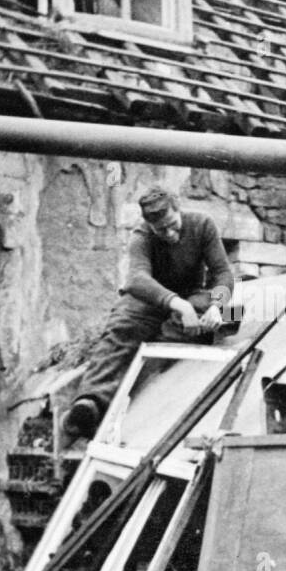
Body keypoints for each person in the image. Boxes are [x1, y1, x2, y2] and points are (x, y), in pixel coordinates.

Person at [62, 187, 235, 441]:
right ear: (149, 225)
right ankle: (91, 402)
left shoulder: (202, 225)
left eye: (172, 225)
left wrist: (217, 306)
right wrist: (178, 304)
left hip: (191, 294)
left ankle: (143, 386)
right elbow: (136, 279)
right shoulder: (142, 235)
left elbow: (222, 273)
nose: (169, 234)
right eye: (161, 230)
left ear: (179, 210)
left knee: (191, 322)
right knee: (121, 328)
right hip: (152, 299)